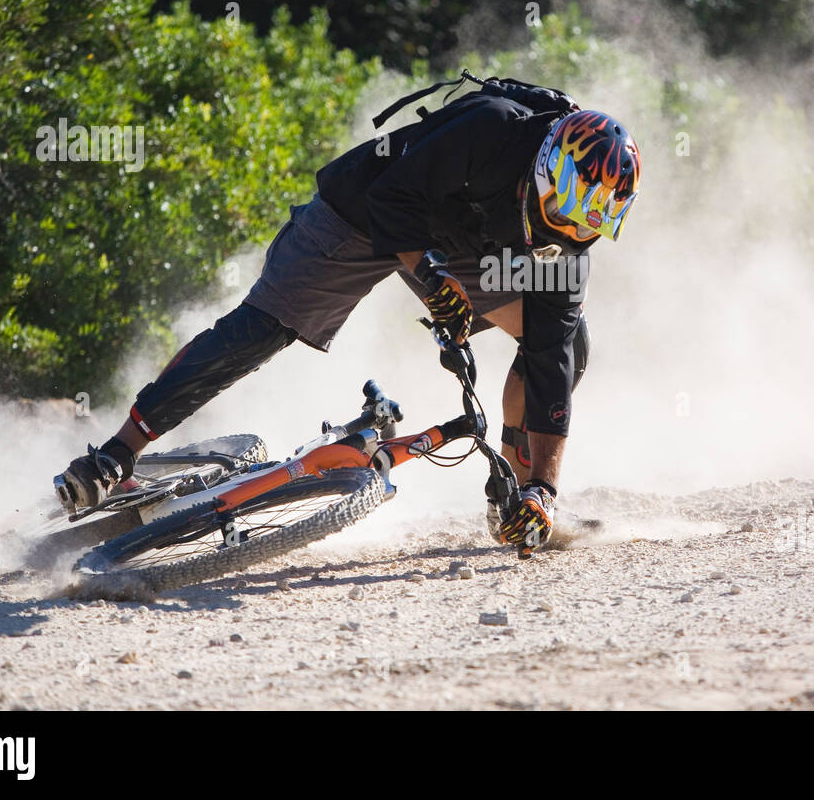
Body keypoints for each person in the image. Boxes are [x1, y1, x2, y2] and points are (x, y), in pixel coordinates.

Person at [52, 74, 641, 553]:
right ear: (546, 168)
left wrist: (546, 489)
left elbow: (553, 362)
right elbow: (392, 198)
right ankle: (115, 453)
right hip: (366, 209)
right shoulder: (492, 129)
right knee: (260, 330)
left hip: (466, 243)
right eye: (564, 211)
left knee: (563, 342)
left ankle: (514, 496)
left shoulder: (568, 248)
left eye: (587, 225)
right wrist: (434, 282)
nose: (568, 231)